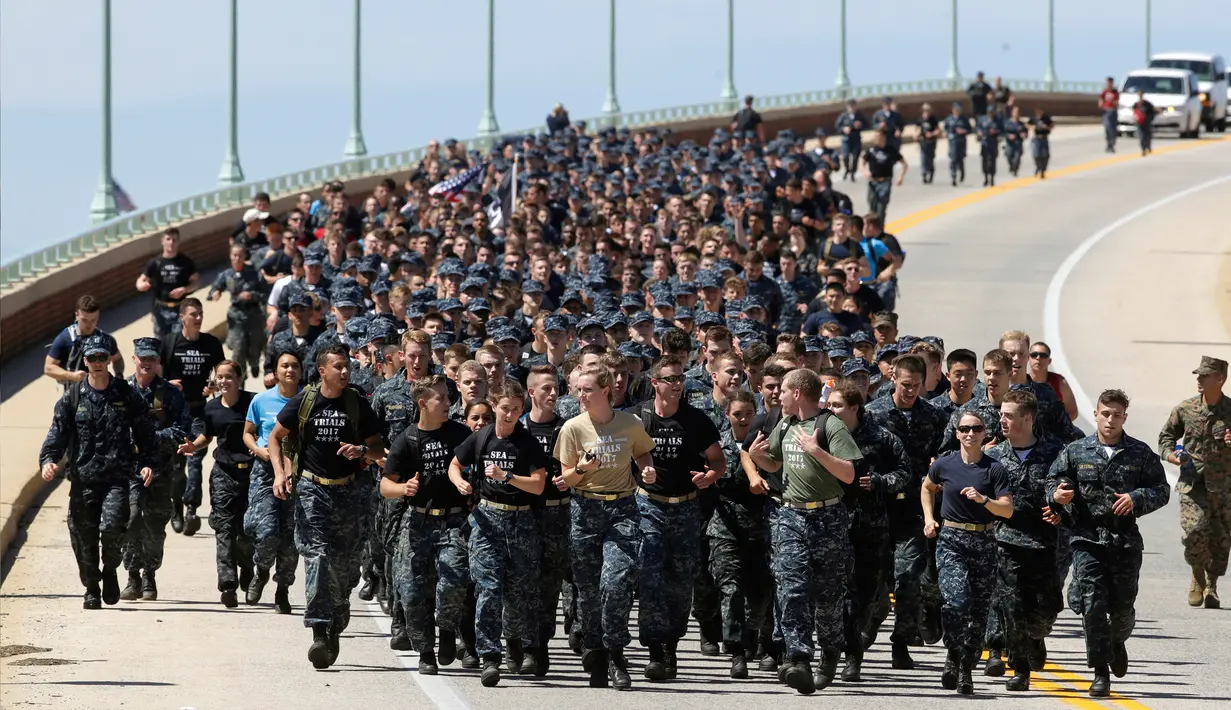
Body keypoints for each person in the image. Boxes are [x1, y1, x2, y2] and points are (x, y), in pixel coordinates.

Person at [267, 344, 386, 669]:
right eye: (338, 367)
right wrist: (280, 473)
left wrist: (362, 451)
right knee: (317, 557)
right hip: (312, 489)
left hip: (349, 492)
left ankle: (338, 610)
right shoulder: (305, 401)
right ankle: (319, 631)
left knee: (347, 567)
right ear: (322, 371)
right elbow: (276, 437)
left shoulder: (357, 403)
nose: (345, 372)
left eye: (347, 366)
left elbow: (378, 448)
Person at [1046, 389, 1170, 697]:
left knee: (1122, 607)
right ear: (1096, 415)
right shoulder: (1076, 451)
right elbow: (1052, 480)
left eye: (1117, 415)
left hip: (1124, 541)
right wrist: (1056, 495)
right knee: (1092, 605)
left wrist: (1136, 498)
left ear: (1124, 418)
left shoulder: (1139, 453)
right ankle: (1100, 672)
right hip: (1086, 539)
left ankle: (1117, 640)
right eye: (1105, 414)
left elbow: (1161, 489)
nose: (1110, 420)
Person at [747, 368, 861, 695]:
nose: (777, 396)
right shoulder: (785, 424)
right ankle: (798, 657)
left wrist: (816, 451)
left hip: (827, 518)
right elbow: (774, 463)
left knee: (828, 595)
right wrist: (757, 458)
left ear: (797, 393)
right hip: (790, 515)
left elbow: (849, 474)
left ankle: (830, 652)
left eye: (783, 390)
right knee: (791, 588)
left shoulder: (830, 425)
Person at [554, 363, 657, 690]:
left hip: (622, 509)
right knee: (588, 591)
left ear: (605, 391)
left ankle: (616, 653)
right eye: (579, 390)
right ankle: (596, 652)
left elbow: (643, 453)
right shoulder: (572, 428)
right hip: (585, 510)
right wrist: (582, 469)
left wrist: (648, 470)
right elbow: (566, 478)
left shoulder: (630, 423)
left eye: (587, 390)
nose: (581, 395)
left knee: (615, 582)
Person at [38, 334, 157, 609]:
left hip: (117, 477)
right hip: (84, 480)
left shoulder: (126, 394)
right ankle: (92, 586)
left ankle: (111, 569)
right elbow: (57, 435)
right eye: (93, 358)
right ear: (85, 361)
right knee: (84, 537)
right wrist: (48, 461)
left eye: (103, 357)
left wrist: (148, 462)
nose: (98, 362)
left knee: (112, 527)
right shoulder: (72, 398)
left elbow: (146, 433)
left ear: (108, 359)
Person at [448, 381, 549, 687]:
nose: (510, 414)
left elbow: (538, 485)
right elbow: (455, 464)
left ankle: (514, 639)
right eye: (505, 408)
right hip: (487, 519)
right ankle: (490, 656)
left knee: (517, 593)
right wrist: (459, 482)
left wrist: (507, 476)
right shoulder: (482, 437)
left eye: (516, 409)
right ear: (494, 406)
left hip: (520, 521)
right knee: (488, 588)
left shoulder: (527, 443)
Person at [637, 355, 725, 681]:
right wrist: (640, 469)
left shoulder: (696, 420)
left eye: (680, 378)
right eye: (670, 379)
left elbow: (718, 460)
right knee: (650, 578)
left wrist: (710, 476)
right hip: (649, 506)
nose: (677, 384)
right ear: (655, 383)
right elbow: (625, 452)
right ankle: (654, 650)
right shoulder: (638, 417)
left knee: (680, 582)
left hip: (686, 508)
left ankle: (671, 645)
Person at [382, 375, 473, 674]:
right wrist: (403, 488)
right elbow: (385, 485)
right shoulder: (406, 439)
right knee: (412, 592)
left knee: (454, 580)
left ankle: (446, 629)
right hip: (418, 521)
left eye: (448, 397)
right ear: (423, 403)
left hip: (454, 520)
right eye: (441, 398)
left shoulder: (460, 434)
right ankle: (425, 652)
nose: (448, 403)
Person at [864, 354, 947, 669]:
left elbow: (944, 453)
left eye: (917, 385)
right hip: (879, 506)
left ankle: (901, 640)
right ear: (893, 379)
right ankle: (870, 621)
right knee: (874, 578)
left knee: (908, 576)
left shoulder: (934, 416)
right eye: (905, 385)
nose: (911, 391)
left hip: (914, 507)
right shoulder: (873, 414)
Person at [921, 412, 1013, 695]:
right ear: (957, 433)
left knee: (979, 611)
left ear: (984, 433)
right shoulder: (945, 464)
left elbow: (1007, 509)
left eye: (976, 428)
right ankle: (953, 652)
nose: (970, 433)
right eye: (964, 429)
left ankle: (965, 669)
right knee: (957, 601)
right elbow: (927, 488)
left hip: (984, 540)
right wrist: (929, 518)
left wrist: (984, 500)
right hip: (952, 539)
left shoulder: (994, 468)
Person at [826, 381, 909, 682]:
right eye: (829, 405)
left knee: (862, 596)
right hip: (832, 524)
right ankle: (846, 655)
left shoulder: (881, 437)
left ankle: (854, 645)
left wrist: (879, 482)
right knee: (834, 593)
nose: (831, 410)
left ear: (854, 408)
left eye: (837, 406)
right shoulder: (823, 434)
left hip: (870, 528)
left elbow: (904, 472)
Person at [982, 390, 1065, 691]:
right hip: (1006, 541)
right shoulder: (992, 457)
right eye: (1001, 414)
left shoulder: (1056, 452)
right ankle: (1020, 669)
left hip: (1044, 543)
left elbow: (1070, 491)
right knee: (1012, 606)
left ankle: (1035, 637)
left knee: (1046, 608)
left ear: (1028, 418)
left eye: (1009, 415)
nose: (1001, 420)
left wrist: (1061, 508)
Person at [176, 360, 256, 608]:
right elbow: (207, 436)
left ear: (239, 379)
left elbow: (265, 430)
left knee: (247, 529)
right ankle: (228, 585)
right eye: (219, 377)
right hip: (223, 473)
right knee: (223, 528)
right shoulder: (211, 407)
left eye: (228, 376)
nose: (223, 381)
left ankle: (247, 565)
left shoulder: (253, 402)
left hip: (251, 474)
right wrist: (193, 445)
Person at [120, 337, 190, 602]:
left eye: (151, 359)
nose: (146, 363)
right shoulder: (121, 391)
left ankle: (150, 573)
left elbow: (182, 429)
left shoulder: (170, 394)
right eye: (143, 358)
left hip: (161, 468)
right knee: (131, 518)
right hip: (130, 468)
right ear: (134, 358)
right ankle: (133, 576)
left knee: (155, 523)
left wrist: (151, 438)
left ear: (158, 361)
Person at [1159, 356, 1231, 609]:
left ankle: (1211, 586)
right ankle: (1197, 573)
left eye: (1205, 375)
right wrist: (1171, 456)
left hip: (1224, 487)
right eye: (1198, 375)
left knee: (1220, 540)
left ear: (1220, 378)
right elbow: (1166, 438)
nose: (1199, 379)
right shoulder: (1185, 409)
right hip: (1193, 484)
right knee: (1193, 532)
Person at [712, 390, 770, 679]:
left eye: (749, 413)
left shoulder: (767, 444)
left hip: (761, 528)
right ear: (727, 415)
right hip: (725, 528)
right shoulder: (717, 446)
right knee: (731, 588)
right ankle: (736, 651)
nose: (744, 419)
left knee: (759, 596)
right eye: (737, 414)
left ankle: (752, 637)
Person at [242, 351, 303, 614]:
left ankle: (283, 590)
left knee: (290, 539)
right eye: (284, 366)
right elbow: (248, 433)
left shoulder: (308, 400)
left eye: (295, 366)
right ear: (275, 371)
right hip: (265, 471)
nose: (290, 370)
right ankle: (262, 570)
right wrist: (258, 450)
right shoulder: (261, 400)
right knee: (266, 531)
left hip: (296, 473)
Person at [159, 298, 226, 537]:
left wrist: (214, 385)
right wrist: (167, 383)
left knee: (196, 460)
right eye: (193, 314)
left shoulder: (211, 344)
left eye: (200, 314)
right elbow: (154, 376)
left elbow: (222, 372)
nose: (198, 318)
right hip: (174, 414)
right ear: (182, 317)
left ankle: (191, 509)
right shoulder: (169, 343)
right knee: (177, 467)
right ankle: (176, 506)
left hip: (199, 410)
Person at [521, 364, 572, 673]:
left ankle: (541, 642)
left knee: (550, 584)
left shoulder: (568, 428)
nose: (553, 393)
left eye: (556, 388)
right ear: (531, 392)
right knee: (524, 580)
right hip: (525, 514)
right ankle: (525, 645)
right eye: (546, 389)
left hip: (558, 513)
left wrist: (572, 478)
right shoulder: (519, 429)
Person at [209, 243, 267, 380]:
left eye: (240, 255)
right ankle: (240, 378)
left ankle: (254, 364)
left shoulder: (254, 274)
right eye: (235, 255)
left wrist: (252, 295)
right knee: (238, 348)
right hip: (236, 317)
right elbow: (215, 287)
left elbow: (265, 294)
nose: (237, 258)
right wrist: (216, 292)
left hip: (254, 316)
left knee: (254, 346)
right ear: (230, 256)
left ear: (245, 256)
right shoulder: (227, 275)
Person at [44, 295, 124, 387]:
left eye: (93, 320)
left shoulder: (105, 339)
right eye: (84, 320)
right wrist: (72, 376)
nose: (89, 324)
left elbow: (117, 359)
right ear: (77, 315)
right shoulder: (65, 338)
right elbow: (48, 368)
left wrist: (119, 376)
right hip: (73, 391)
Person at [135, 227, 199, 341]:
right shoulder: (155, 262)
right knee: (160, 342)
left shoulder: (185, 262)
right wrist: (142, 285)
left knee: (177, 341)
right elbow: (140, 280)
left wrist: (184, 289)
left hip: (179, 308)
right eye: (168, 239)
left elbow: (196, 282)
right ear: (162, 241)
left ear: (178, 242)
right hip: (160, 309)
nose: (171, 243)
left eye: (174, 240)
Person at [860, 130, 907, 222]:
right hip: (873, 182)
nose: (877, 138)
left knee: (881, 208)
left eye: (879, 136)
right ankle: (873, 228)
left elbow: (904, 164)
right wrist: (865, 172)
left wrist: (900, 177)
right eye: (876, 136)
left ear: (884, 137)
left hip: (885, 182)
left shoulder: (891, 150)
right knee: (872, 208)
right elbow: (862, 163)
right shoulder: (871, 150)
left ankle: (880, 227)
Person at [834, 99, 868, 181]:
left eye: (853, 106)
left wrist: (860, 125)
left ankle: (853, 173)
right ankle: (847, 169)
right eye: (850, 106)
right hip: (846, 139)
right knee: (845, 156)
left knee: (855, 157)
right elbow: (837, 126)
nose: (852, 108)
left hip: (856, 139)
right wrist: (843, 129)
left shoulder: (859, 115)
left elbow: (867, 124)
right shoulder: (843, 116)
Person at [943, 102, 972, 187]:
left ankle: (961, 171)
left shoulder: (964, 119)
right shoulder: (949, 119)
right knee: (953, 159)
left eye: (959, 110)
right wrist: (945, 133)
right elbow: (945, 128)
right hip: (953, 141)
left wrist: (963, 131)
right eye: (956, 109)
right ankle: (953, 176)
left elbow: (969, 129)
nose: (957, 111)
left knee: (960, 159)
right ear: (953, 110)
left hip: (961, 141)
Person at [976, 106, 1002, 187]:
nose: (990, 114)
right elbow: (978, 127)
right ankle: (986, 177)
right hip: (984, 142)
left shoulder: (998, 120)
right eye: (989, 112)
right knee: (985, 161)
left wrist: (996, 132)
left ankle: (992, 178)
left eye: (992, 112)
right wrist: (979, 132)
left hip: (993, 142)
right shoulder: (982, 119)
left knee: (992, 161)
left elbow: (1002, 130)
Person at [916, 103, 942, 184]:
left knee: (930, 158)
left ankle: (931, 172)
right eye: (924, 110)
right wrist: (916, 135)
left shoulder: (933, 120)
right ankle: (924, 174)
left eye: (927, 110)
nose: (926, 112)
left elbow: (938, 130)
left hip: (931, 142)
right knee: (923, 157)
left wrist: (932, 134)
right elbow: (917, 129)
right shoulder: (920, 119)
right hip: (923, 141)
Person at [1003, 105, 1029, 178]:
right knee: (1009, 156)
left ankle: (1015, 170)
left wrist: (1024, 135)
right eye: (1015, 112)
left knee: (1017, 158)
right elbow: (1003, 132)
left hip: (1018, 143)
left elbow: (1026, 133)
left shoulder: (1022, 124)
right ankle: (1011, 166)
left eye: (1018, 112)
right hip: (1010, 143)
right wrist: (1008, 136)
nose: (1016, 114)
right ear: (1012, 113)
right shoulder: (1008, 123)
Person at [1029, 107, 1054, 179]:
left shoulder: (1046, 118)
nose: (1040, 113)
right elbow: (1027, 124)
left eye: (1041, 111)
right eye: (1038, 112)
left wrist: (1047, 127)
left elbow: (1052, 125)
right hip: (1036, 138)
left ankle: (1042, 170)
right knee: (1036, 155)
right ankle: (1038, 167)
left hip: (1044, 138)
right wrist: (1032, 127)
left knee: (1045, 156)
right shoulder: (1033, 119)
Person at [1098, 77, 1120, 153]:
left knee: (1113, 129)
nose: (1109, 84)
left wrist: (1111, 102)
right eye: (1107, 83)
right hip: (1106, 111)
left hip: (1113, 111)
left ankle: (1112, 144)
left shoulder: (1115, 92)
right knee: (1107, 128)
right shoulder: (1104, 91)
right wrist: (1101, 103)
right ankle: (1108, 144)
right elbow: (1101, 99)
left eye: (1110, 83)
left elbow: (1117, 102)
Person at [1132, 90, 1155, 157]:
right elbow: (1134, 112)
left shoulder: (1147, 104)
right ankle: (1143, 149)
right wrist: (1136, 117)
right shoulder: (1136, 104)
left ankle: (1148, 146)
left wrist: (1149, 118)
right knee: (1142, 136)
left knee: (1147, 135)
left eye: (1141, 94)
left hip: (1146, 121)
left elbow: (1152, 111)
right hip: (1139, 122)